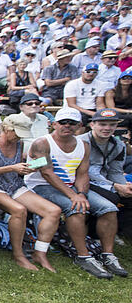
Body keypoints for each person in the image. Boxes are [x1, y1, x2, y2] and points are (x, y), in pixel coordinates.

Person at [24, 108, 126, 278]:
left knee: (108, 209)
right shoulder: (42, 143)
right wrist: (74, 196)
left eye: (72, 123)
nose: (67, 126)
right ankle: (83, 255)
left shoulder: (83, 146)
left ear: (79, 126)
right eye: (63, 122)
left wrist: (81, 193)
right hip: (41, 185)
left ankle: (108, 255)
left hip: (71, 186)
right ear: (54, 124)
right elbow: (47, 173)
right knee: (76, 208)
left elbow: (82, 173)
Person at [0, 115, 61, 271]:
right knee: (19, 210)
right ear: (6, 129)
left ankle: (40, 252)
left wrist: (28, 168)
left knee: (54, 211)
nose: (18, 136)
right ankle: (19, 255)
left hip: (15, 184)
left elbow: (19, 170)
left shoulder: (20, 143)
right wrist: (12, 168)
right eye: (17, 132)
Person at [80, 108, 132, 240]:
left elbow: (116, 170)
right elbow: (86, 172)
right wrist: (114, 186)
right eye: (102, 124)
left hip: (104, 180)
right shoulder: (81, 142)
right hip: (82, 181)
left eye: (112, 124)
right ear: (92, 125)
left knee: (128, 196)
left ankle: (119, 231)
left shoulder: (119, 145)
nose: (107, 128)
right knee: (112, 198)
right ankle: (94, 235)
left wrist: (123, 186)